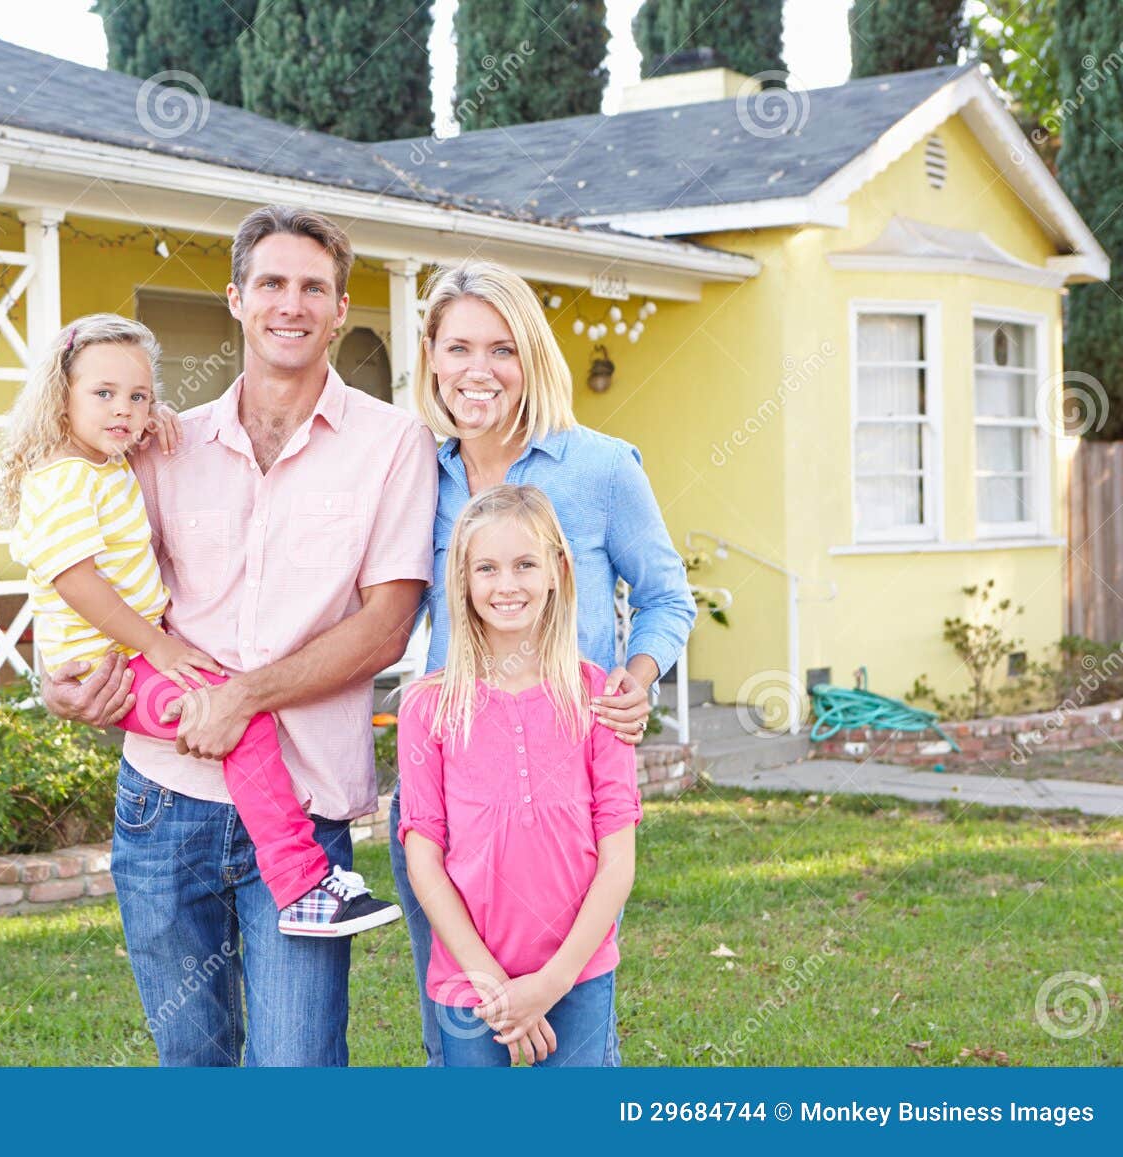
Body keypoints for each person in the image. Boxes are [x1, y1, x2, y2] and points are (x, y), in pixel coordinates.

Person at [40, 206, 437, 1066]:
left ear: (340, 309)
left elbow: (386, 625)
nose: (290, 304)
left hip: (302, 807)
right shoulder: (161, 442)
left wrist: (245, 697)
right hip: (163, 800)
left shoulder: (393, 442)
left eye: (313, 287)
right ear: (236, 298)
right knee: (192, 1066)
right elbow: (96, 582)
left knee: (297, 1070)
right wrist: (61, 682)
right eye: (271, 283)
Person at [0, 312, 400, 938]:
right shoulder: (61, 480)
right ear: (62, 397)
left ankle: (299, 879)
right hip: (114, 663)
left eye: (138, 396)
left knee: (239, 712)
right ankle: (301, 885)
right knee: (243, 721)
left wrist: (143, 427)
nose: (122, 409)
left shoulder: (103, 464)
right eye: (103, 394)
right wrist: (157, 646)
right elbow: (76, 581)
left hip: (133, 650)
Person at [389, 260, 696, 1064]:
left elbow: (668, 596)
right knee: (463, 1042)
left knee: (579, 1036)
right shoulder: (417, 474)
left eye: (501, 348)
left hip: (567, 797)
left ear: (531, 357)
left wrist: (637, 676)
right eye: (457, 348)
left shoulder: (599, 468)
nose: (477, 370)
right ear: (430, 358)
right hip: (455, 803)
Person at [398, 484, 640, 1067]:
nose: (507, 585)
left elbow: (618, 862)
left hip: (576, 972)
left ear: (557, 570)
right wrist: (491, 982)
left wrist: (549, 984)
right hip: (468, 980)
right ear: (463, 579)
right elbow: (423, 859)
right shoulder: (428, 708)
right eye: (487, 568)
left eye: (525, 564)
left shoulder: (597, 698)